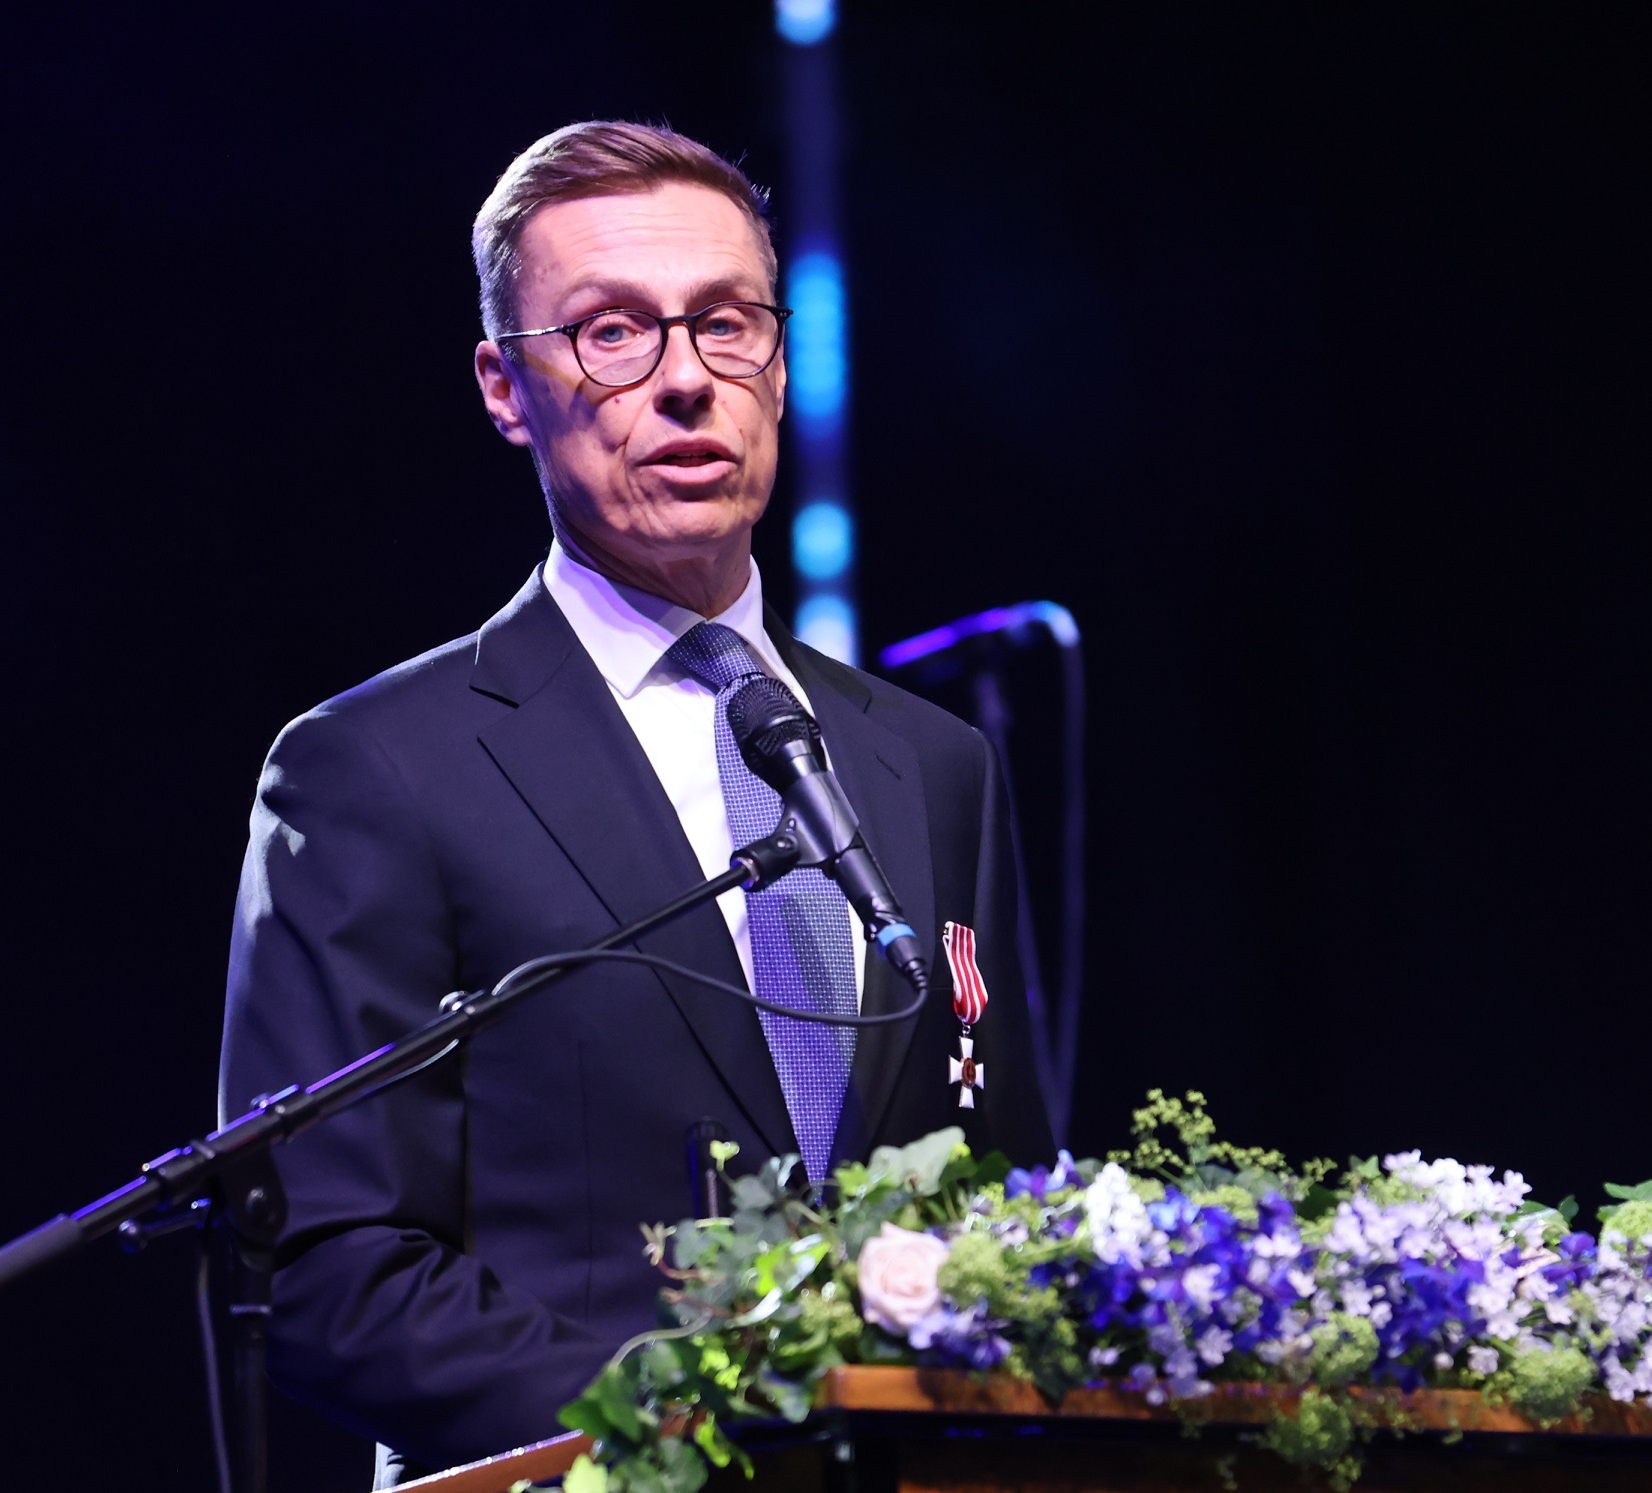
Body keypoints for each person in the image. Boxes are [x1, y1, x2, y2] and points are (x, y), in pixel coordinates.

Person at [218, 120, 1053, 1471]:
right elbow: (330, 1266)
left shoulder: (930, 761)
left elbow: (1009, 1201)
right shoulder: (374, 768)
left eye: (725, 324)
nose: (684, 382)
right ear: (505, 386)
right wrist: (711, 1427)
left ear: (780, 362)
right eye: (611, 333)